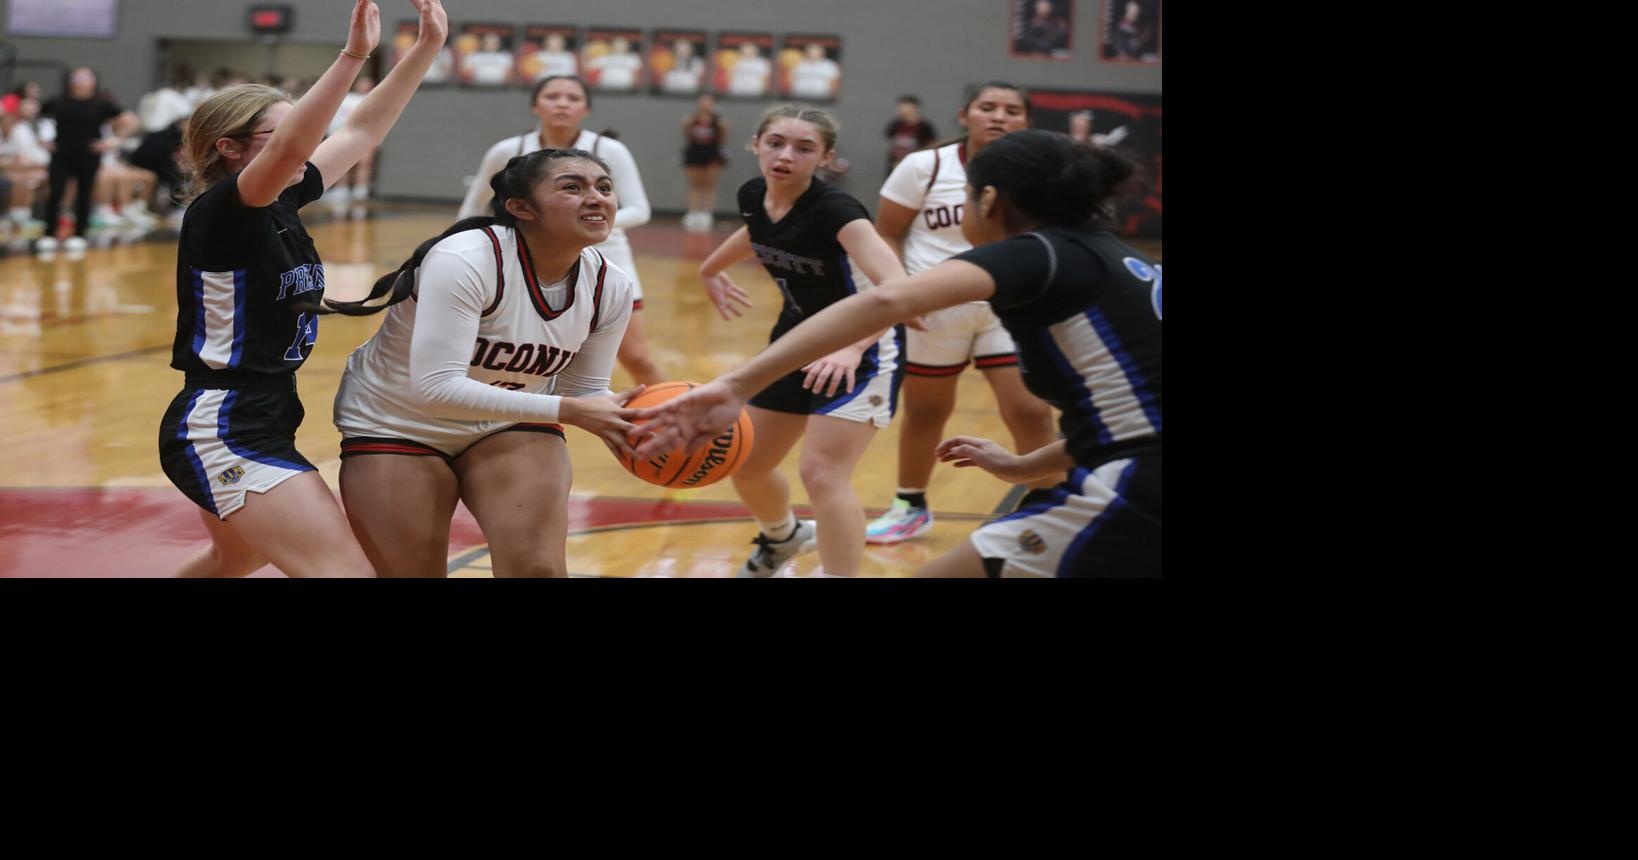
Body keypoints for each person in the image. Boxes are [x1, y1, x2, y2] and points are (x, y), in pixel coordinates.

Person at [634, 129, 1161, 578]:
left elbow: (888, 299)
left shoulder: (1038, 254)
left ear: (988, 201)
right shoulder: (1115, 258)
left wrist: (735, 384)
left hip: (1137, 487)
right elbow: (1134, 419)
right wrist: (1023, 466)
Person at [156, 0, 450, 578]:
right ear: (230, 148)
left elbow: (361, 129)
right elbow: (292, 149)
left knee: (234, 559)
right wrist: (352, 56)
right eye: (287, 131)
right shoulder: (222, 213)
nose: (308, 143)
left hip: (266, 409)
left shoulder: (283, 196)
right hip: (224, 421)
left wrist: (424, 49)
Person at [328, 149, 640, 577]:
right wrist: (572, 410)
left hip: (508, 424)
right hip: (397, 422)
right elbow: (436, 388)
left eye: (604, 187)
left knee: (539, 571)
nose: (596, 198)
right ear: (522, 208)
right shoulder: (467, 259)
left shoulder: (611, 285)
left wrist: (635, 423)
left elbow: (582, 390)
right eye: (572, 187)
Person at [693, 105, 908, 578]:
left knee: (822, 472)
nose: (785, 156)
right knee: (748, 462)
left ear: (825, 157)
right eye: (775, 143)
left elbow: (898, 290)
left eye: (803, 148)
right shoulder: (754, 194)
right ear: (756, 144)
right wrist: (710, 268)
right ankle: (781, 536)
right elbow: (758, 228)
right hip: (796, 342)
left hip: (864, 350)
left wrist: (851, 348)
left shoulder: (836, 211)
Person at [864, 81, 1057, 545]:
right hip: (934, 308)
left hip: (1008, 306)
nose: (999, 116)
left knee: (1031, 410)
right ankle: (910, 505)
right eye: (987, 107)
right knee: (925, 412)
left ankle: (1050, 508)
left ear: (1027, 122)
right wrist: (899, 290)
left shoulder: (1043, 174)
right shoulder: (925, 166)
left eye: (1012, 110)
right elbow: (886, 231)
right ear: (963, 114)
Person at [458, 75, 662, 386]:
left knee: (637, 357)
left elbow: (639, 209)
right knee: (525, 358)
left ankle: (672, 410)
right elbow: (473, 209)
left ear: (586, 109)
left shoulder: (610, 150)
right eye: (553, 96)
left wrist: (577, 224)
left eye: (573, 98)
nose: (563, 104)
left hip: (608, 259)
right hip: (528, 262)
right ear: (535, 106)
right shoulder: (508, 150)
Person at [35, 67, 139, 255]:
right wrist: (41, 139)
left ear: (93, 81)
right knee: (56, 192)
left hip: (88, 155)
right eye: (77, 77)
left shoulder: (101, 104)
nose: (81, 81)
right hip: (61, 154)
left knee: (84, 194)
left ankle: (79, 234)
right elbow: (34, 114)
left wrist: (115, 140)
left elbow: (131, 120)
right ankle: (49, 233)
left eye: (86, 77)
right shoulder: (58, 101)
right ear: (70, 81)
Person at [325, 75, 377, 219]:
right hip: (346, 137)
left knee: (365, 164)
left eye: (367, 83)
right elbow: (336, 118)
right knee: (343, 164)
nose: (364, 86)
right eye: (362, 83)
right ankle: (341, 190)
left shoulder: (374, 98)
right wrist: (333, 135)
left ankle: (360, 191)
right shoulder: (346, 99)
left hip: (366, 137)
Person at [679, 93, 727, 232]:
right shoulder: (690, 120)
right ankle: (693, 213)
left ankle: (706, 214)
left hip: (711, 153)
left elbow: (722, 137)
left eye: (708, 104)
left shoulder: (719, 122)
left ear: (713, 105)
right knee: (694, 184)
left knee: (709, 185)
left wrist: (716, 122)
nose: (705, 106)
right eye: (702, 103)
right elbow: (686, 132)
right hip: (694, 152)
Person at [884, 95, 936, 172]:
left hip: (915, 164)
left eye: (905, 107)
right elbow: (890, 138)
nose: (901, 110)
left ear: (914, 108)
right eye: (900, 108)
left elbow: (931, 145)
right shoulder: (896, 124)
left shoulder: (924, 127)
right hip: (896, 162)